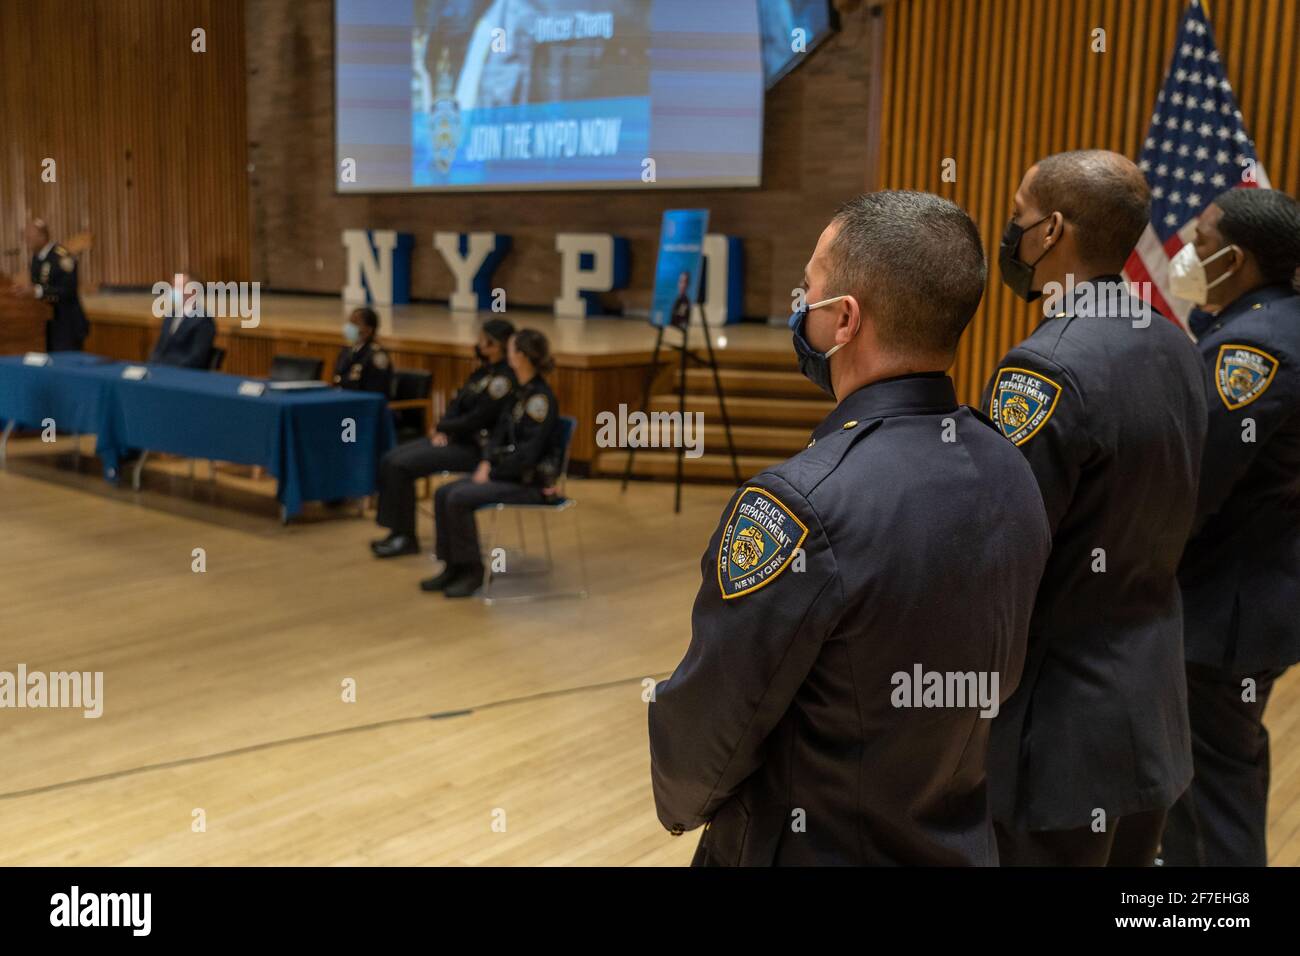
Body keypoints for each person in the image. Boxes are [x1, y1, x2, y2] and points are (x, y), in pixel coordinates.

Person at [648, 191, 1052, 866]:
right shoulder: (1010, 465)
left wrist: (684, 806)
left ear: (844, 320)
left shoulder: (799, 503)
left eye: (807, 287)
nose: (797, 303)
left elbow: (707, 729)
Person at [981, 150, 1208, 866]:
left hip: (1057, 730)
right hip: (1150, 704)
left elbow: (1004, 556)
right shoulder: (1175, 343)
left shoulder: (1043, 368)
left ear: (1050, 232)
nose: (1011, 232)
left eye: (1018, 216)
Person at [1163, 188, 1300, 866]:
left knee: (1212, 791)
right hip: (1259, 589)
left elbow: (1193, 485)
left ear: (1237, 258)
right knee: (1216, 774)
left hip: (1224, 608)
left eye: (1202, 238)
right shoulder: (1272, 321)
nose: (1188, 251)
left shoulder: (1253, 349)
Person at [420, 329, 560, 598]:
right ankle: (452, 566)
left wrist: (493, 470)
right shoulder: (520, 393)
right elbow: (497, 436)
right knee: (443, 493)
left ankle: (472, 570)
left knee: (459, 497)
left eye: (511, 349)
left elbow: (528, 455)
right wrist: (485, 461)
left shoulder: (540, 400)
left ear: (521, 356)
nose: (508, 354)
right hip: (503, 472)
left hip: (527, 481)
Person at [371, 318, 516, 558]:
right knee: (390, 457)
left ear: (496, 345)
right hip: (455, 437)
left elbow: (479, 419)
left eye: (483, 340)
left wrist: (444, 426)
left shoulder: (503, 380)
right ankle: (395, 530)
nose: (478, 344)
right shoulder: (482, 372)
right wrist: (441, 428)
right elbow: (457, 403)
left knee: (400, 466)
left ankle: (406, 537)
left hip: (476, 448)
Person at [8, 219, 88, 352]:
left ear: (42, 236)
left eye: (29, 236)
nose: (26, 240)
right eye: (25, 236)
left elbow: (68, 291)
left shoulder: (62, 257)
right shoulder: (36, 258)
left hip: (66, 325)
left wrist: (37, 291)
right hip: (45, 325)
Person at [149, 273, 216, 368]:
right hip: (161, 370)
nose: (173, 290)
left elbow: (196, 358)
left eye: (178, 287)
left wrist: (167, 368)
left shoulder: (203, 321)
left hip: (184, 374)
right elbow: (159, 348)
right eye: (173, 286)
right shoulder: (170, 317)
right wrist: (152, 365)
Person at [333, 307, 392, 395]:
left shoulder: (377, 356)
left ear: (368, 330)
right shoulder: (346, 351)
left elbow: (377, 390)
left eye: (355, 324)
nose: (349, 327)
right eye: (350, 322)